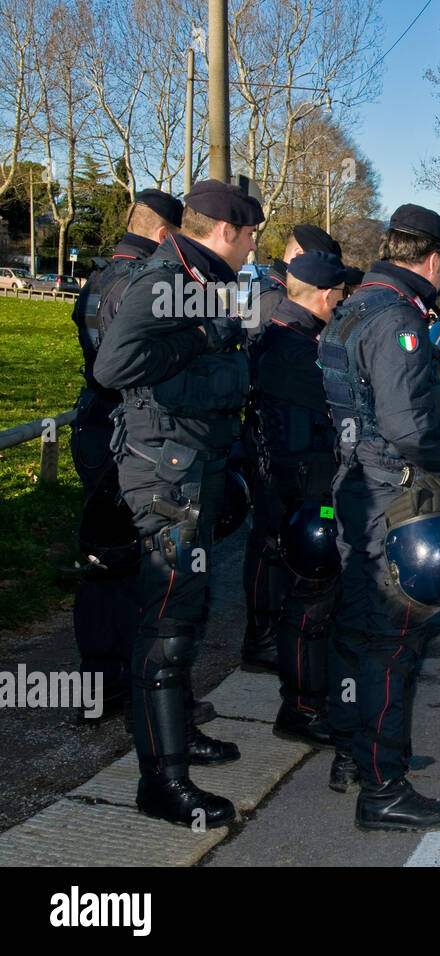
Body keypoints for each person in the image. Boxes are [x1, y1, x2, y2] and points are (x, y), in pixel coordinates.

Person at [94, 179, 263, 826]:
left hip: (194, 468)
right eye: (251, 237)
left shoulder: (201, 277)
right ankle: (162, 783)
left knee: (186, 613)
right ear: (226, 230)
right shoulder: (166, 277)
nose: (253, 249)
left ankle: (178, 732)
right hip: (165, 476)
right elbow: (113, 367)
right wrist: (201, 336)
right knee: (163, 626)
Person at [317, 203, 440, 830]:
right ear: (434, 258)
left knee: (354, 628)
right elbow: (408, 423)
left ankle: (355, 754)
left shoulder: (351, 307)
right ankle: (384, 787)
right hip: (391, 495)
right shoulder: (399, 317)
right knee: (392, 642)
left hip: (353, 489)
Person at [69, 188, 183, 721]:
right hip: (128, 433)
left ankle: (98, 687)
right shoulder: (143, 283)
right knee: (143, 563)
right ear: (165, 234)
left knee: (100, 560)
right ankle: (139, 692)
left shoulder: (97, 277)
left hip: (93, 424)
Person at [246, 250, 348, 747]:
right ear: (328, 296)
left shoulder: (278, 329)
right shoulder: (300, 346)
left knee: (304, 596)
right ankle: (303, 708)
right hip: (304, 486)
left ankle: (307, 701)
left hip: (283, 481)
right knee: (311, 600)